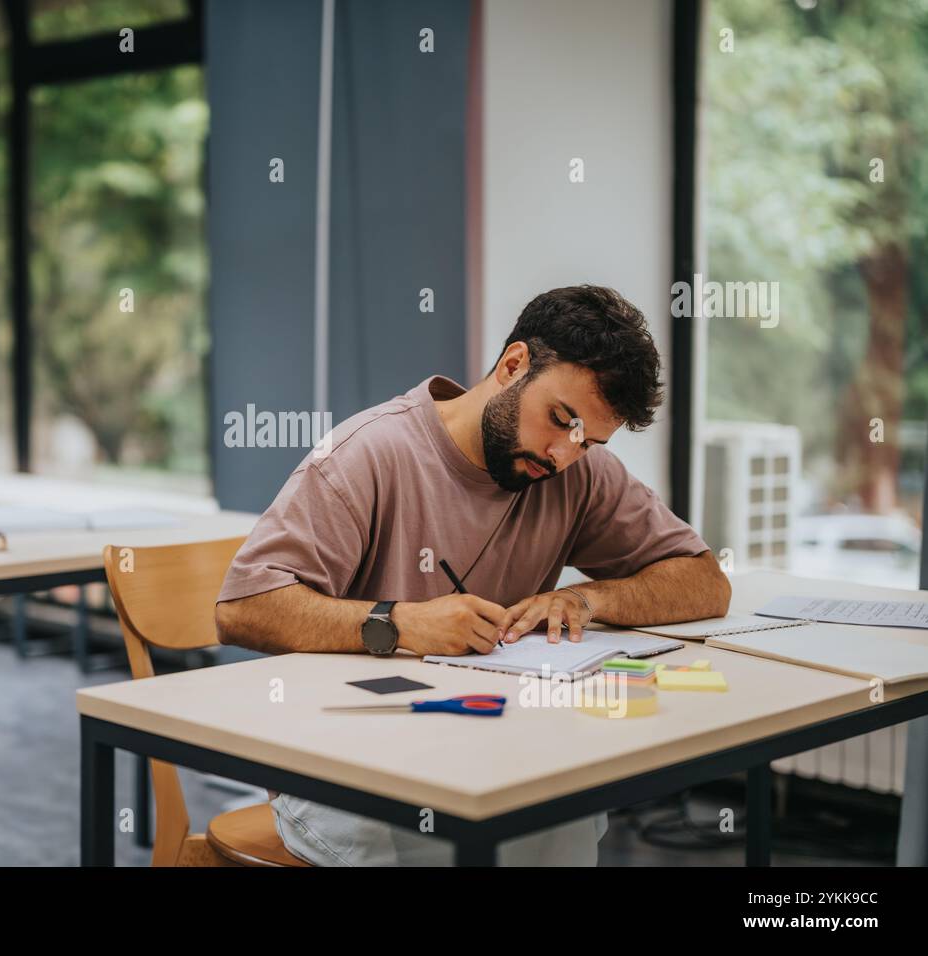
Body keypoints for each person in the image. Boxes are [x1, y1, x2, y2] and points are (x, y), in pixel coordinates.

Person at [215, 285, 731, 866]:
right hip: (345, 763)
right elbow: (243, 608)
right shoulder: (369, 453)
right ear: (513, 365)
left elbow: (706, 581)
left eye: (588, 441)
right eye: (560, 420)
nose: (563, 454)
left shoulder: (576, 475)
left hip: (492, 751)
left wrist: (589, 599)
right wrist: (399, 624)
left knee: (567, 812)